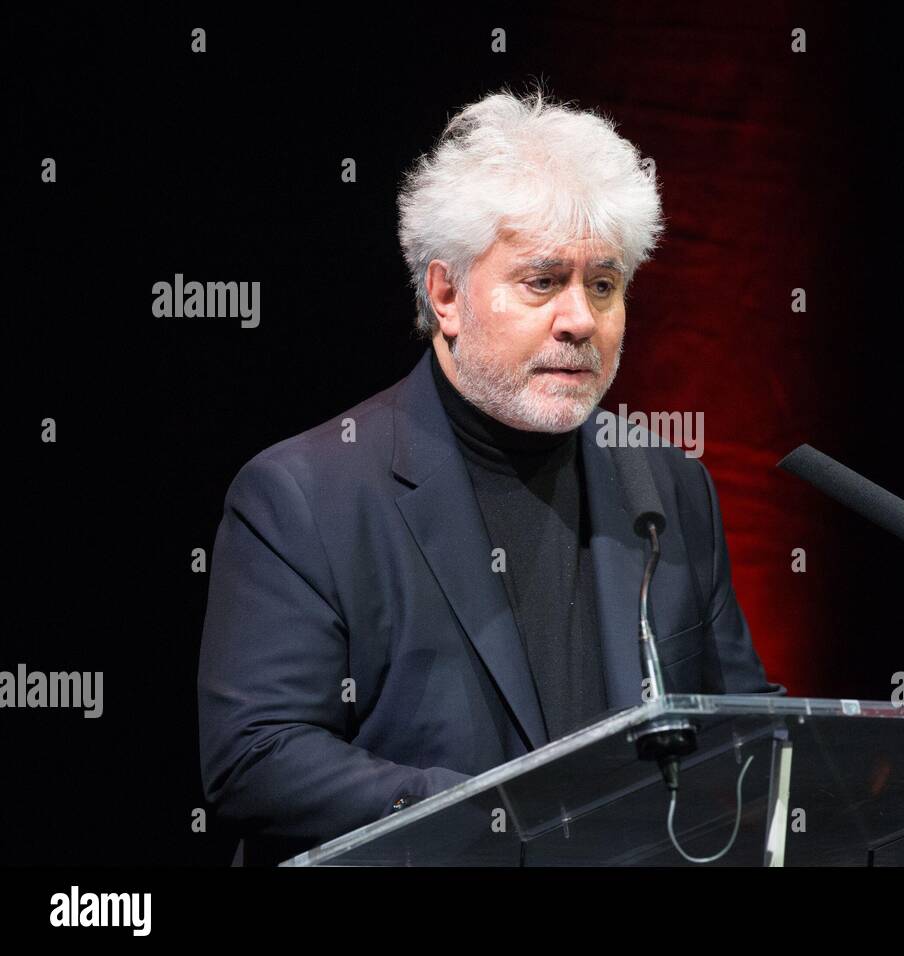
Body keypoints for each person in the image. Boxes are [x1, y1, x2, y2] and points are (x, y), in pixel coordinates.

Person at [197, 86, 783, 867]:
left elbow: (742, 730)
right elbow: (257, 759)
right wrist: (496, 820)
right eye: (543, 281)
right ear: (446, 294)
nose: (580, 319)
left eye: (603, 286)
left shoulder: (668, 487)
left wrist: (853, 776)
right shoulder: (305, 494)